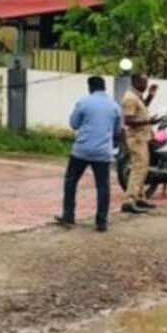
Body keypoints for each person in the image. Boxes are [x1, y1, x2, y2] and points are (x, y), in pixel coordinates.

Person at [55, 76, 121, 232]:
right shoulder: (114, 106)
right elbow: (118, 130)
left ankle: (69, 216)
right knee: (103, 186)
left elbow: (74, 124)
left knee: (71, 181)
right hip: (103, 152)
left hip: (82, 150)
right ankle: (101, 221)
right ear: (104, 87)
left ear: (90, 87)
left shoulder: (83, 102)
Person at [120, 72, 159, 214]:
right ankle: (129, 200)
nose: (146, 84)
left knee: (142, 168)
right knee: (138, 168)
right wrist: (149, 121)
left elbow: (142, 108)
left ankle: (140, 198)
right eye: (144, 82)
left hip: (142, 137)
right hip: (136, 138)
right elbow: (128, 121)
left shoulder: (137, 96)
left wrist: (151, 95)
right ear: (135, 82)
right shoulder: (130, 98)